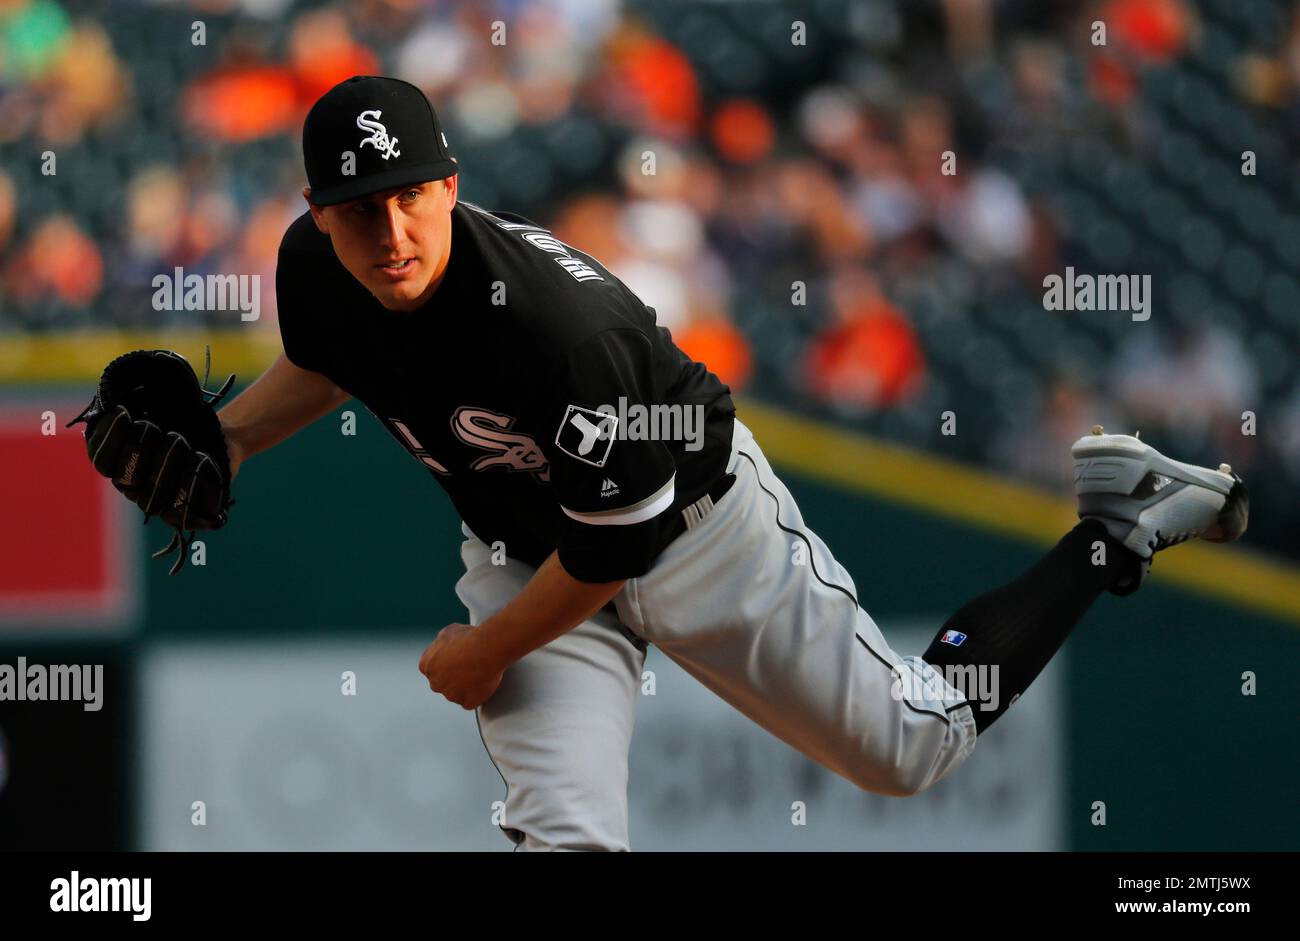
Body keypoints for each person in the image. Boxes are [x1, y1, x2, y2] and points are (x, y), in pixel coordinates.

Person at [214, 76, 1248, 851]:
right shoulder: (319, 269)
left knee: (907, 745)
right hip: (529, 549)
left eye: (409, 197)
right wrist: (230, 437)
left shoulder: (562, 326)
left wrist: (487, 650)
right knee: (563, 831)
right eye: (359, 210)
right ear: (316, 210)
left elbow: (615, 549)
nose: (390, 231)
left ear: (449, 183)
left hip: (690, 532)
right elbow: (326, 359)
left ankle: (1108, 527)